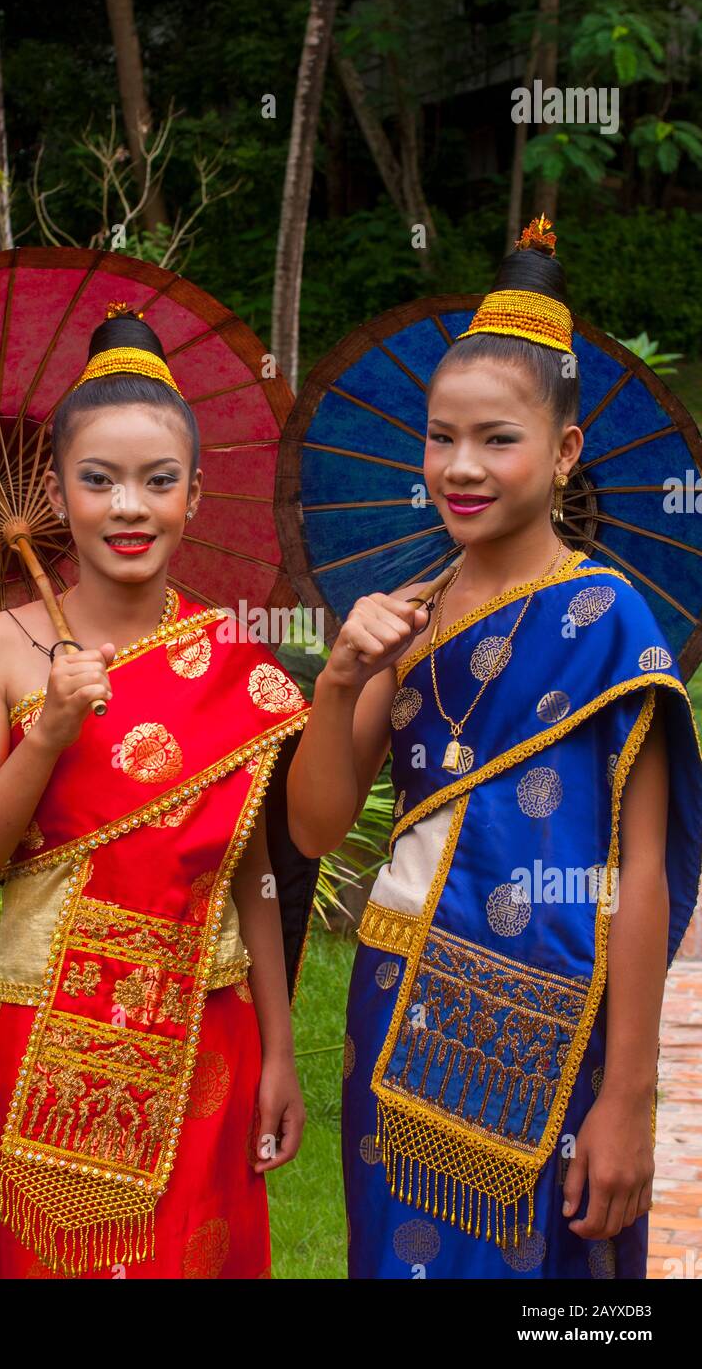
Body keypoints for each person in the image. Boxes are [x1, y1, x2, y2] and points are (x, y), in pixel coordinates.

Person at [286, 217, 702, 1279]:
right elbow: (314, 824)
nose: (458, 467)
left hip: (559, 1030)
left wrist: (626, 1098)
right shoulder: (405, 611)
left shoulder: (607, 620)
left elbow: (641, 871)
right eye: (438, 437)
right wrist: (338, 681)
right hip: (395, 1013)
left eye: (495, 439)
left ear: (564, 450)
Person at [0, 303, 319, 1279]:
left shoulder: (228, 656)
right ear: (58, 493)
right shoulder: (3, 649)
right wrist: (48, 733)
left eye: (158, 481)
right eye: (98, 480)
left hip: (208, 1027)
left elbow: (255, 878)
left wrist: (279, 1048)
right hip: (53, 1026)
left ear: (192, 495)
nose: (128, 507)